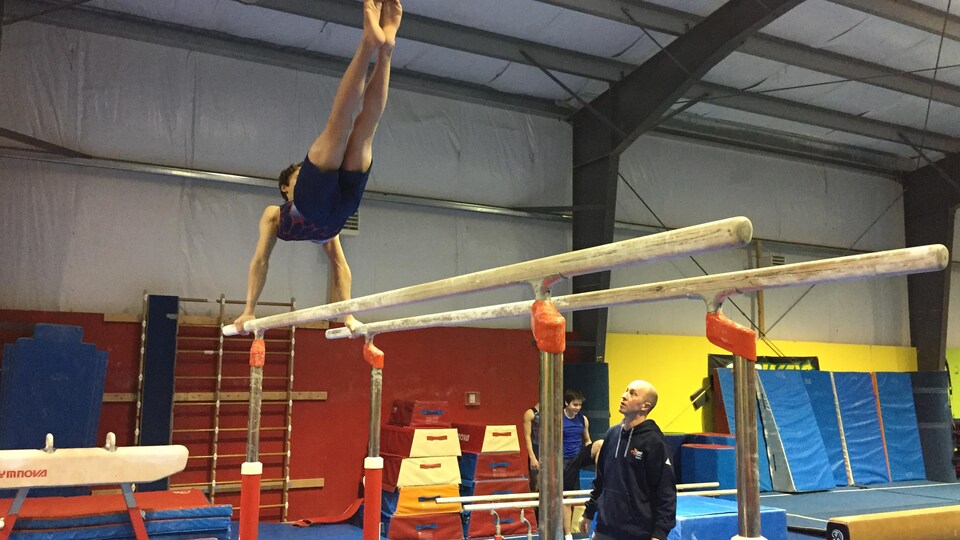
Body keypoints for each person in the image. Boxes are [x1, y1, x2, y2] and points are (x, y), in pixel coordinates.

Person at [233, 0, 402, 334]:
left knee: (347, 126)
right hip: (338, 208)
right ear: (285, 188)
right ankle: (384, 50)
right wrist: (249, 310)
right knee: (362, 128)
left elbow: (341, 266)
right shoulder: (274, 213)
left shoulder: (316, 226)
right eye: (298, 173)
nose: (302, 170)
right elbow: (261, 260)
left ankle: (377, 47)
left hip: (332, 208)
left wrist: (348, 313)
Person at [578, 380, 676, 540]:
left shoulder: (655, 442)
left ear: (645, 406)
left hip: (637, 532)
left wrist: (660, 533)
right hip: (605, 529)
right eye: (626, 391)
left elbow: (665, 492)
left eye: (632, 393)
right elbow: (601, 479)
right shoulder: (612, 434)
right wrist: (589, 512)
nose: (624, 396)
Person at [561, 389, 603, 539]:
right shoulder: (559, 419)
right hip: (564, 460)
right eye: (575, 404)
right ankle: (567, 534)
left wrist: (592, 453)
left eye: (579, 405)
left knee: (600, 444)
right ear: (566, 403)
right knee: (567, 498)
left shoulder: (583, 419)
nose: (577, 408)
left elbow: (587, 440)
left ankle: (601, 481)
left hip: (578, 457)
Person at [522, 402, 541, 493]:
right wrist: (532, 457)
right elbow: (527, 436)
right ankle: (536, 507)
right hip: (536, 449)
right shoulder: (530, 413)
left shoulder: (552, 413)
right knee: (536, 484)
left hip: (549, 450)